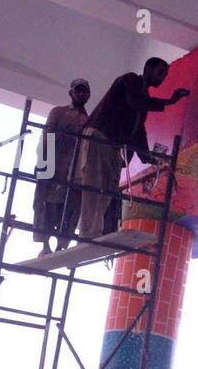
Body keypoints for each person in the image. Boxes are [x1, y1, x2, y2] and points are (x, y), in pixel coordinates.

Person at [75, 58, 189, 241]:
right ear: (148, 70)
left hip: (113, 143)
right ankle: (87, 234)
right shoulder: (131, 80)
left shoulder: (142, 100)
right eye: (161, 73)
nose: (163, 79)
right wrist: (170, 101)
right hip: (98, 134)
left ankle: (94, 232)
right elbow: (137, 103)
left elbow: (138, 131)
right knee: (94, 183)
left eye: (165, 75)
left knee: (110, 186)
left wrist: (147, 157)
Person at [32, 79, 90, 256]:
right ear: (71, 92)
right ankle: (46, 245)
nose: (81, 94)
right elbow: (47, 137)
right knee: (47, 204)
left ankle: (61, 244)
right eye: (78, 90)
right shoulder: (58, 112)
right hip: (54, 166)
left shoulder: (88, 120)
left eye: (85, 91)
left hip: (75, 171)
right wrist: (44, 167)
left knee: (71, 207)